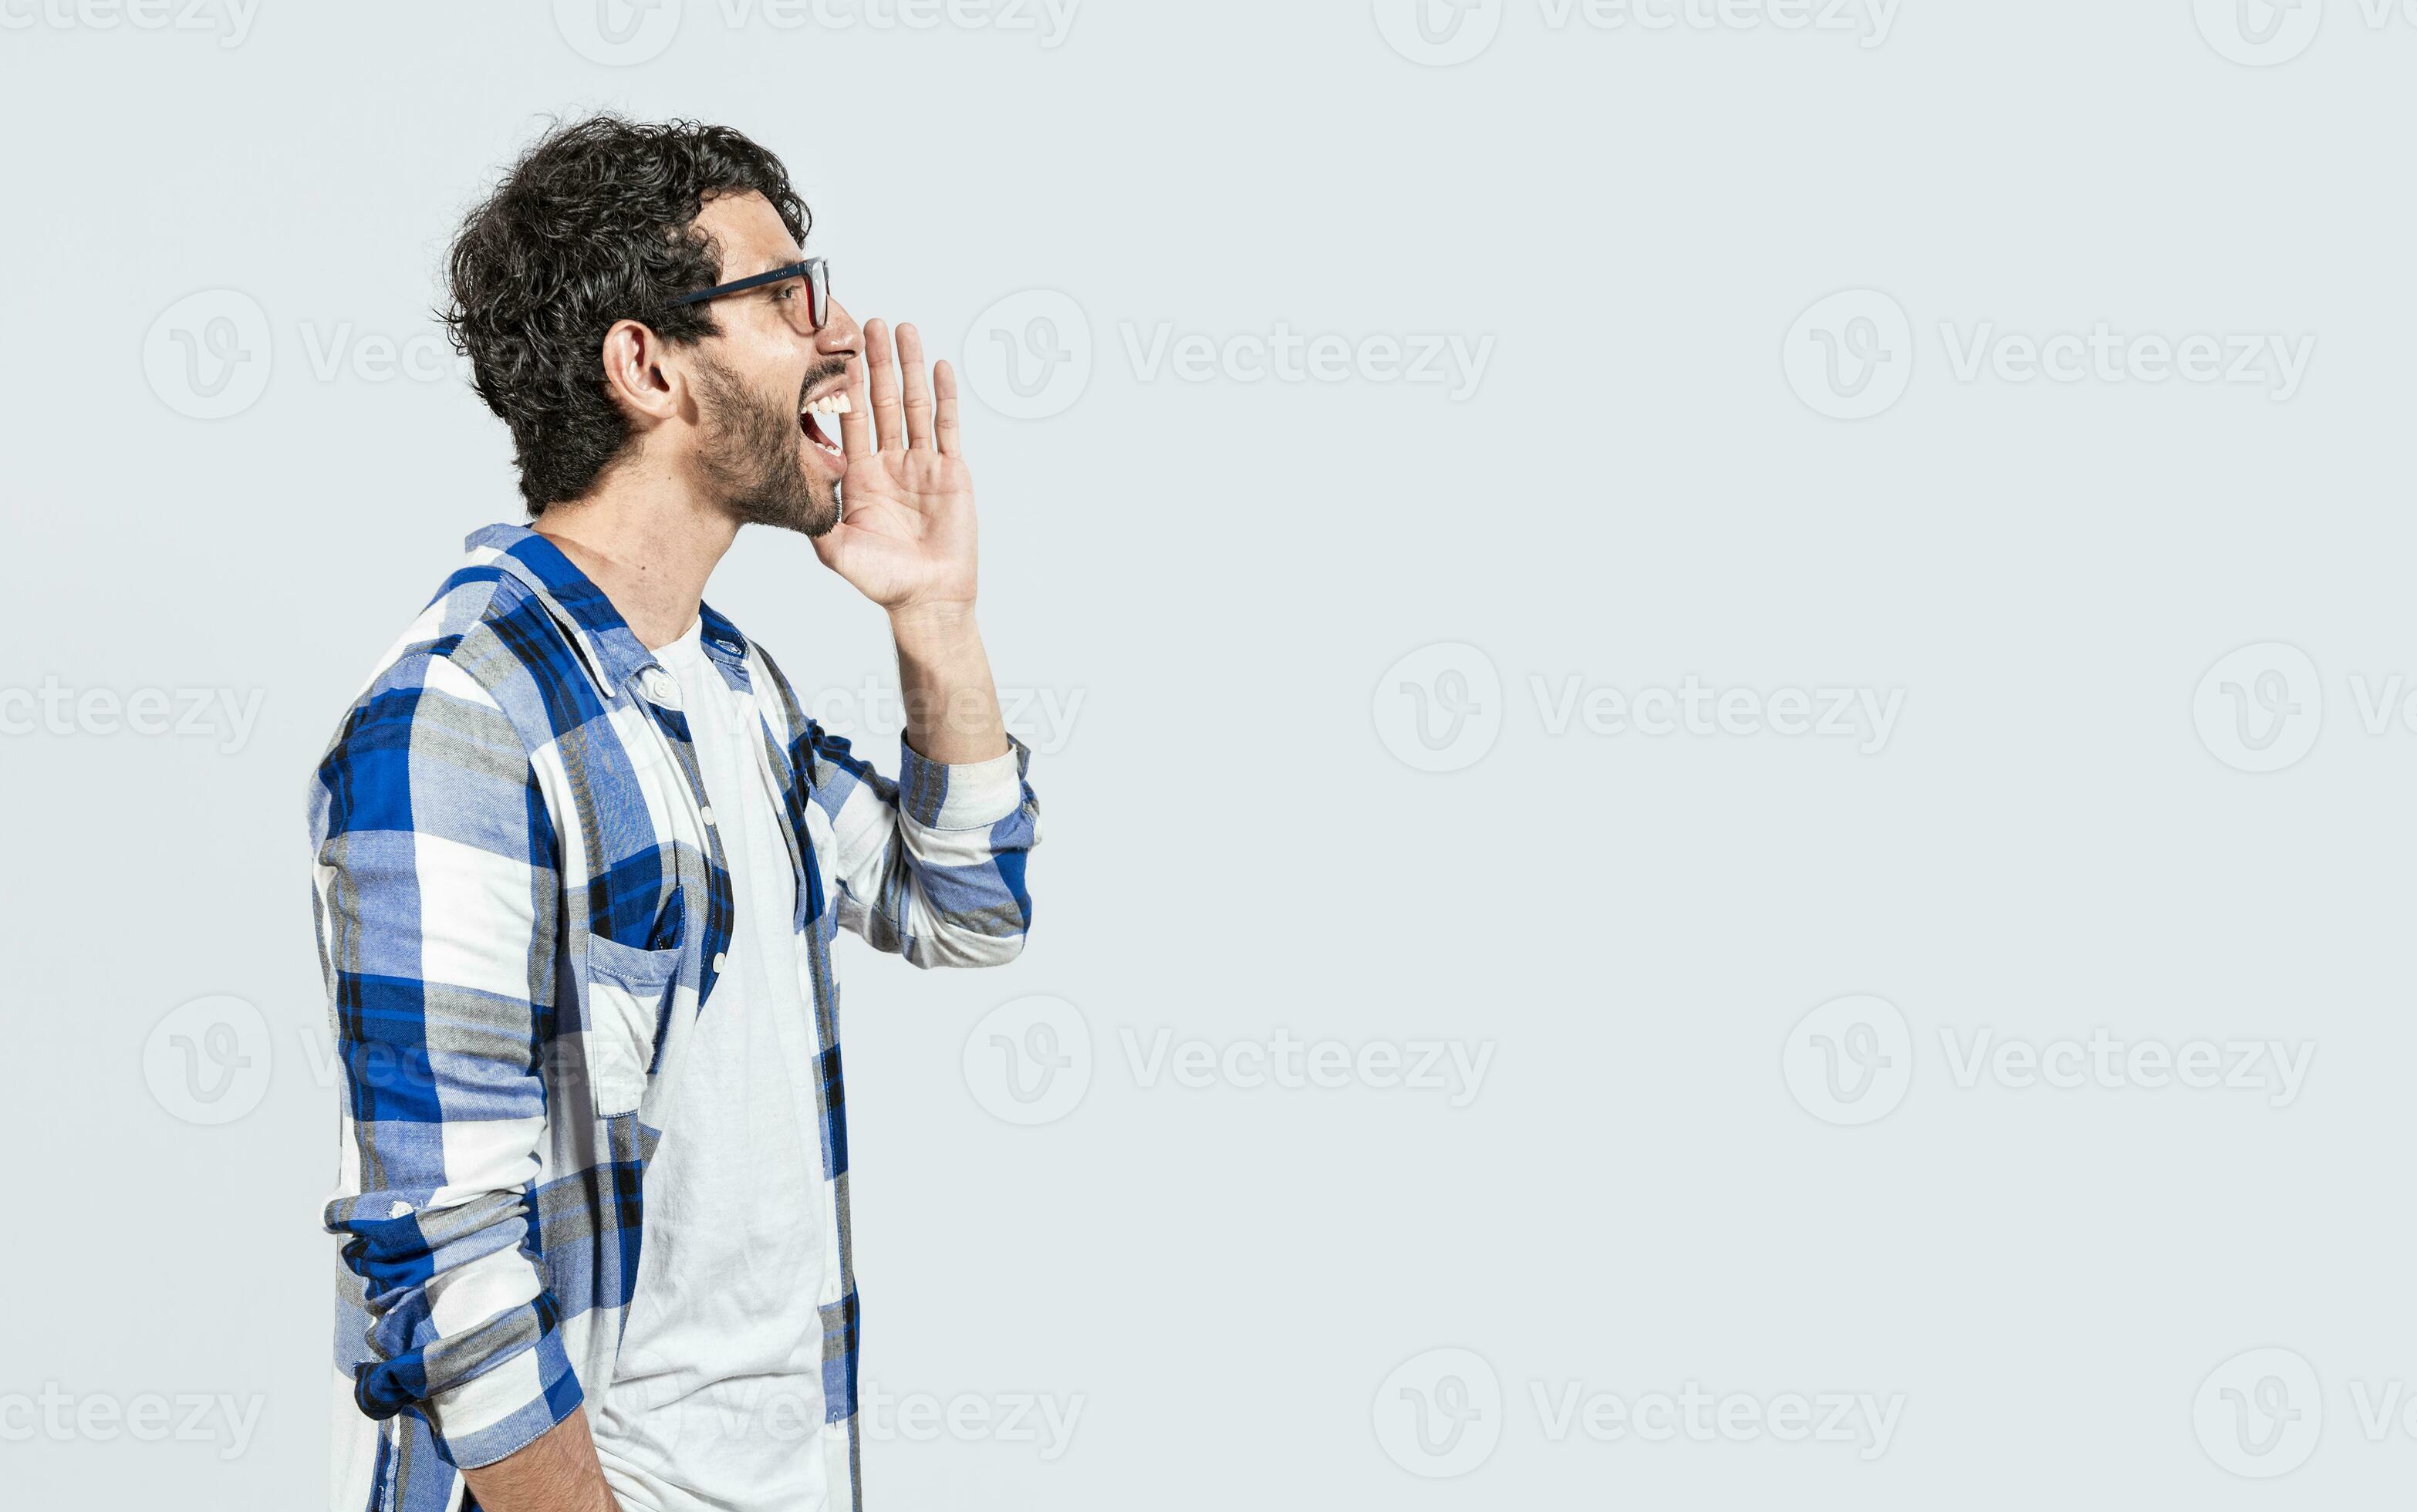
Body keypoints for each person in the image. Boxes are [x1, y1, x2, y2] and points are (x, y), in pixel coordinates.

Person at [305, 115, 1041, 1512]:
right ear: (647, 367)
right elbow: (443, 1258)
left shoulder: (729, 686)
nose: (837, 336)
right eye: (782, 297)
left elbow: (967, 909)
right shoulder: (456, 722)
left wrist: (934, 613)